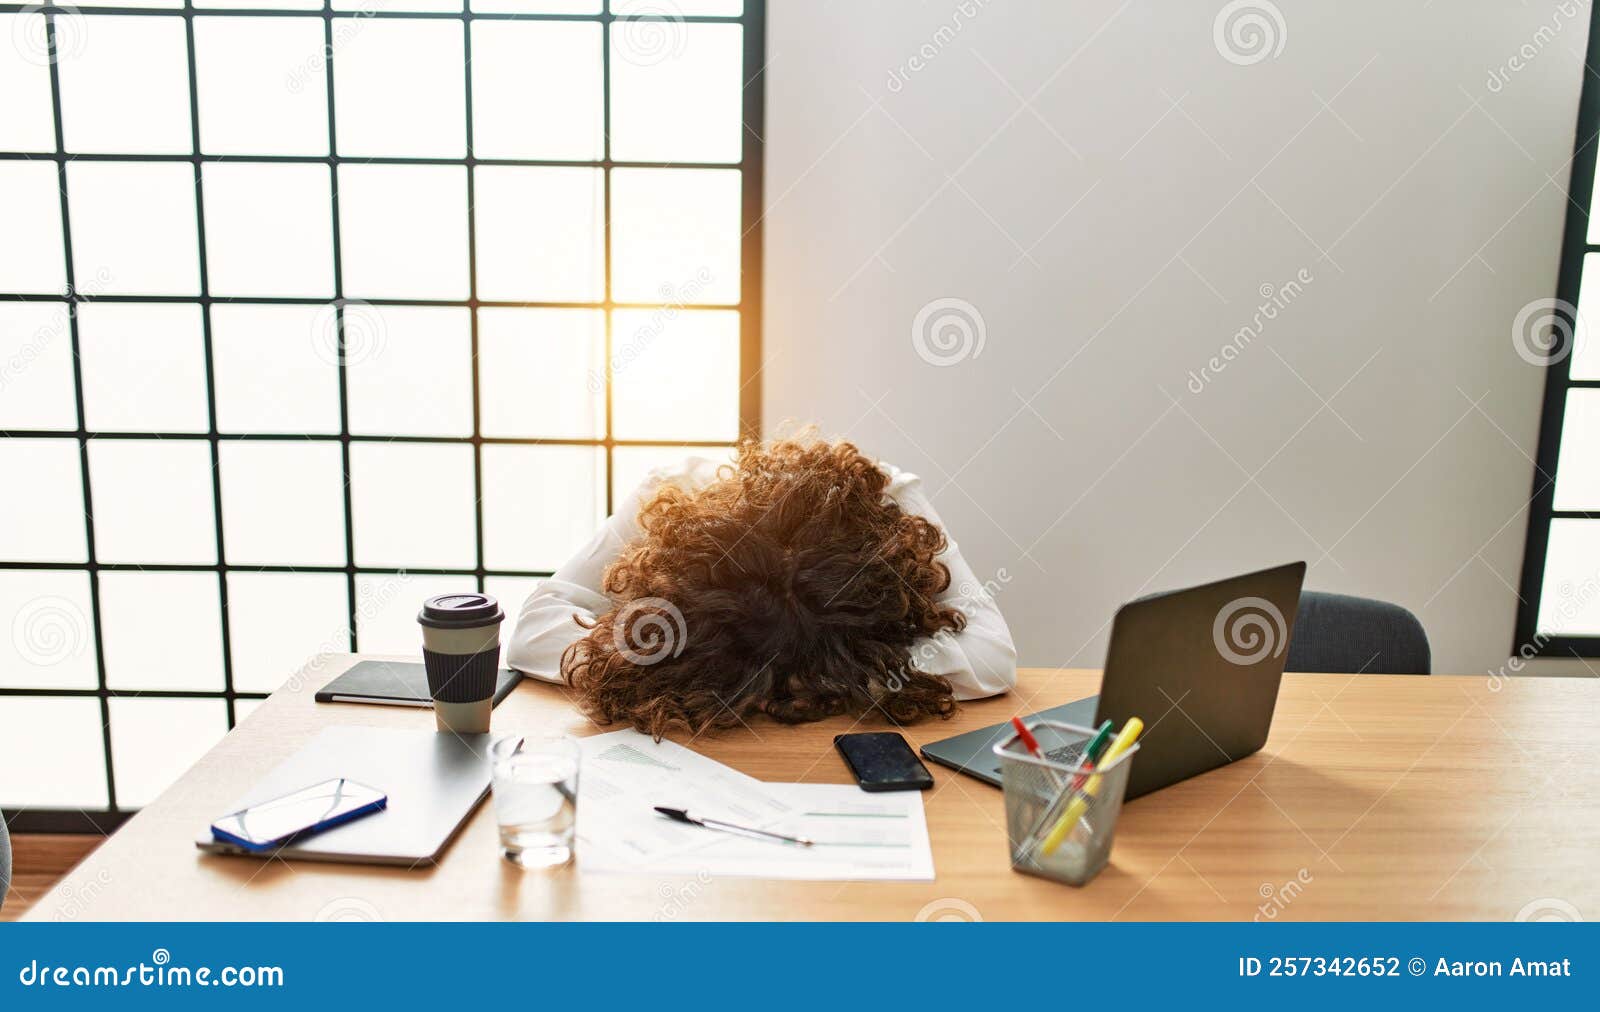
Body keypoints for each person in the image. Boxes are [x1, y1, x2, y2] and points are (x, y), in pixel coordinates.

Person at [505, 435, 1016, 737]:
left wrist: (833, 676)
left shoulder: (888, 505)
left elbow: (993, 654)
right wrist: (680, 670)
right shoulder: (671, 495)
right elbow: (533, 630)